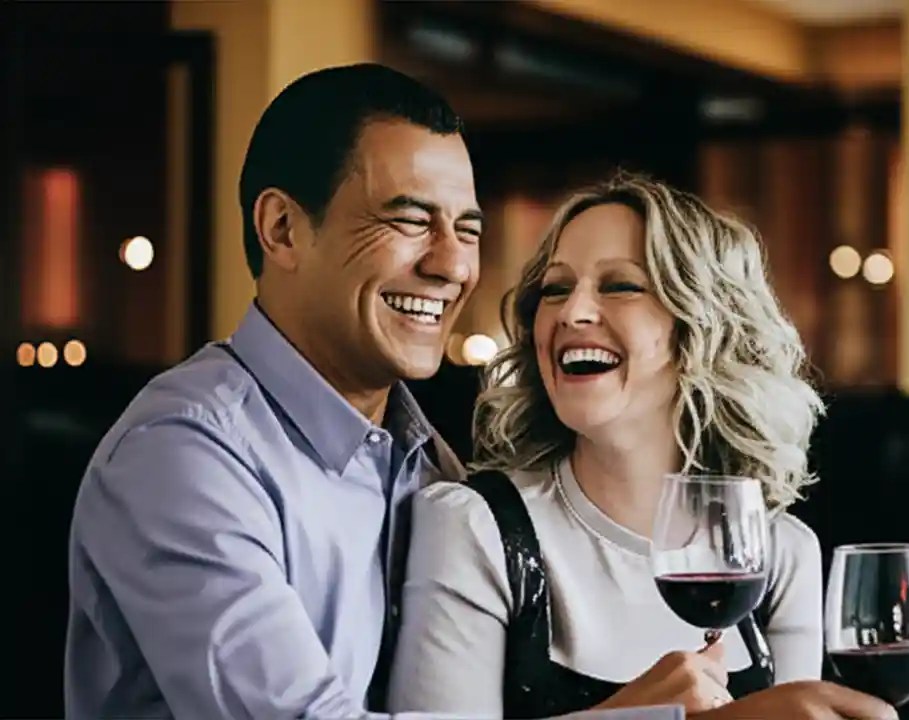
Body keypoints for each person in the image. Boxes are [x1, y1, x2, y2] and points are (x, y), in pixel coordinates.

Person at [63, 64, 683, 720]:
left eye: (467, 230)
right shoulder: (181, 455)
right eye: (410, 220)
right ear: (282, 230)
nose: (451, 265)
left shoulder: (431, 461)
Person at [388, 174, 896, 720]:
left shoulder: (779, 553)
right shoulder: (474, 527)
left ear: (703, 328)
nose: (571, 312)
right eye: (555, 289)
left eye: (621, 286)